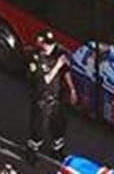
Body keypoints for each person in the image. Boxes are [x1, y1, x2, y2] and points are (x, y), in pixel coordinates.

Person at [25, 31, 72, 162]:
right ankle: (32, 151)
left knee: (59, 127)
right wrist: (57, 65)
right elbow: (43, 81)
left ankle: (57, 150)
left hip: (56, 98)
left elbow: (65, 71)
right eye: (46, 43)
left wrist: (72, 89)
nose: (48, 47)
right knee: (38, 129)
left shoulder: (57, 53)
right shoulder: (35, 58)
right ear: (40, 42)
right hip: (42, 100)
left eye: (50, 44)